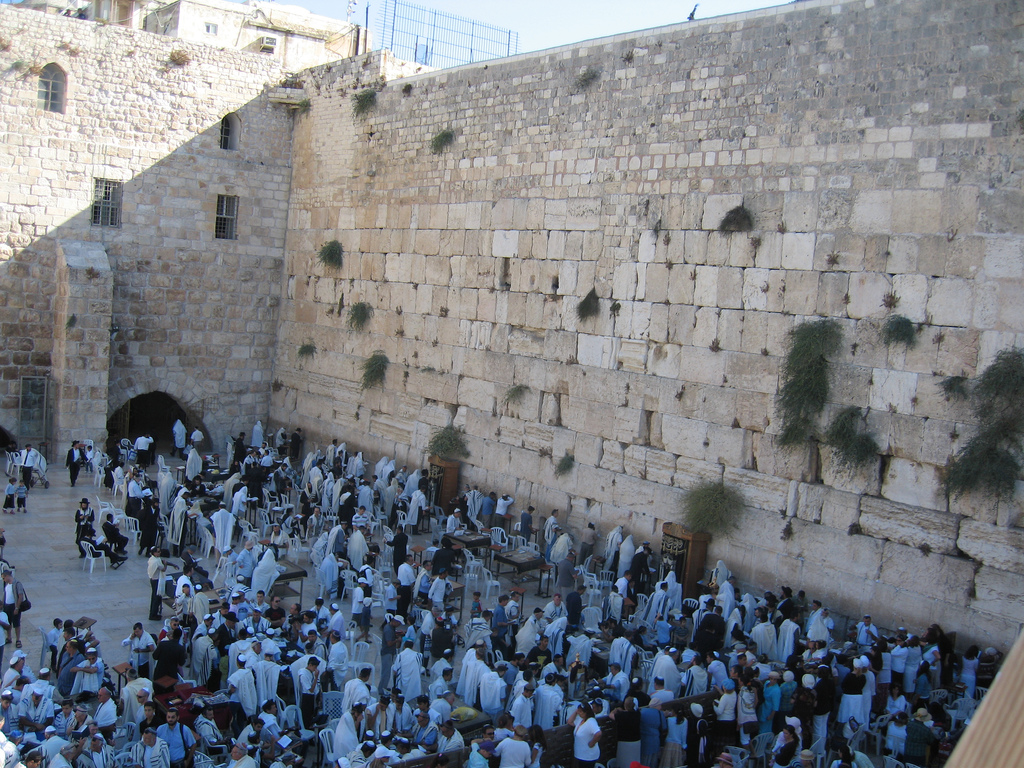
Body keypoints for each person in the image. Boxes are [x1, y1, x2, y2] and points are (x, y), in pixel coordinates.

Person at [569, 703, 602, 768]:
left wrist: (592, 743)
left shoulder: (591, 721)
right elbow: (570, 721)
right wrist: (576, 712)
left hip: (588, 756)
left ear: (586, 712)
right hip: (580, 755)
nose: (579, 713)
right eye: (578, 711)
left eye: (580, 711)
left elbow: (598, 733)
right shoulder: (580, 720)